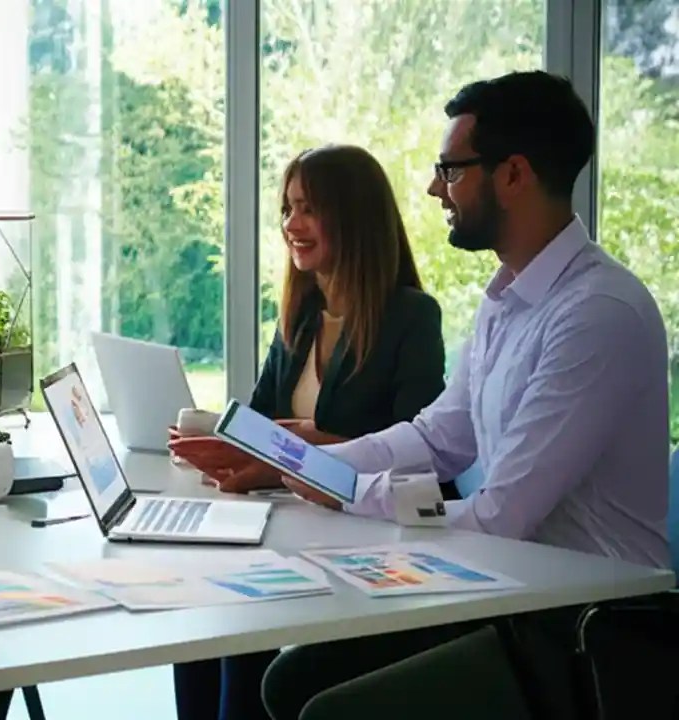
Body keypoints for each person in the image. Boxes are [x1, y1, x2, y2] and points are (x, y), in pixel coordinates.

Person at [263, 70, 669, 719]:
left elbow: (500, 515)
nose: (433, 188)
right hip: (510, 597)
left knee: (323, 704)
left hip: (587, 633)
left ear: (513, 174)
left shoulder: (596, 315)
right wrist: (319, 466)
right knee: (292, 679)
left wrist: (349, 491)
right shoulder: (509, 301)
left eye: (450, 170)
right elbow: (437, 439)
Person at [170, 144, 446, 720]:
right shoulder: (300, 315)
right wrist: (215, 440)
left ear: (354, 218)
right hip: (294, 524)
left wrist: (307, 444)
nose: (292, 225)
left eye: (309, 209)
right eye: (288, 208)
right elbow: (261, 417)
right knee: (195, 616)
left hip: (368, 539)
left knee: (243, 632)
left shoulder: (412, 317)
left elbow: (418, 448)